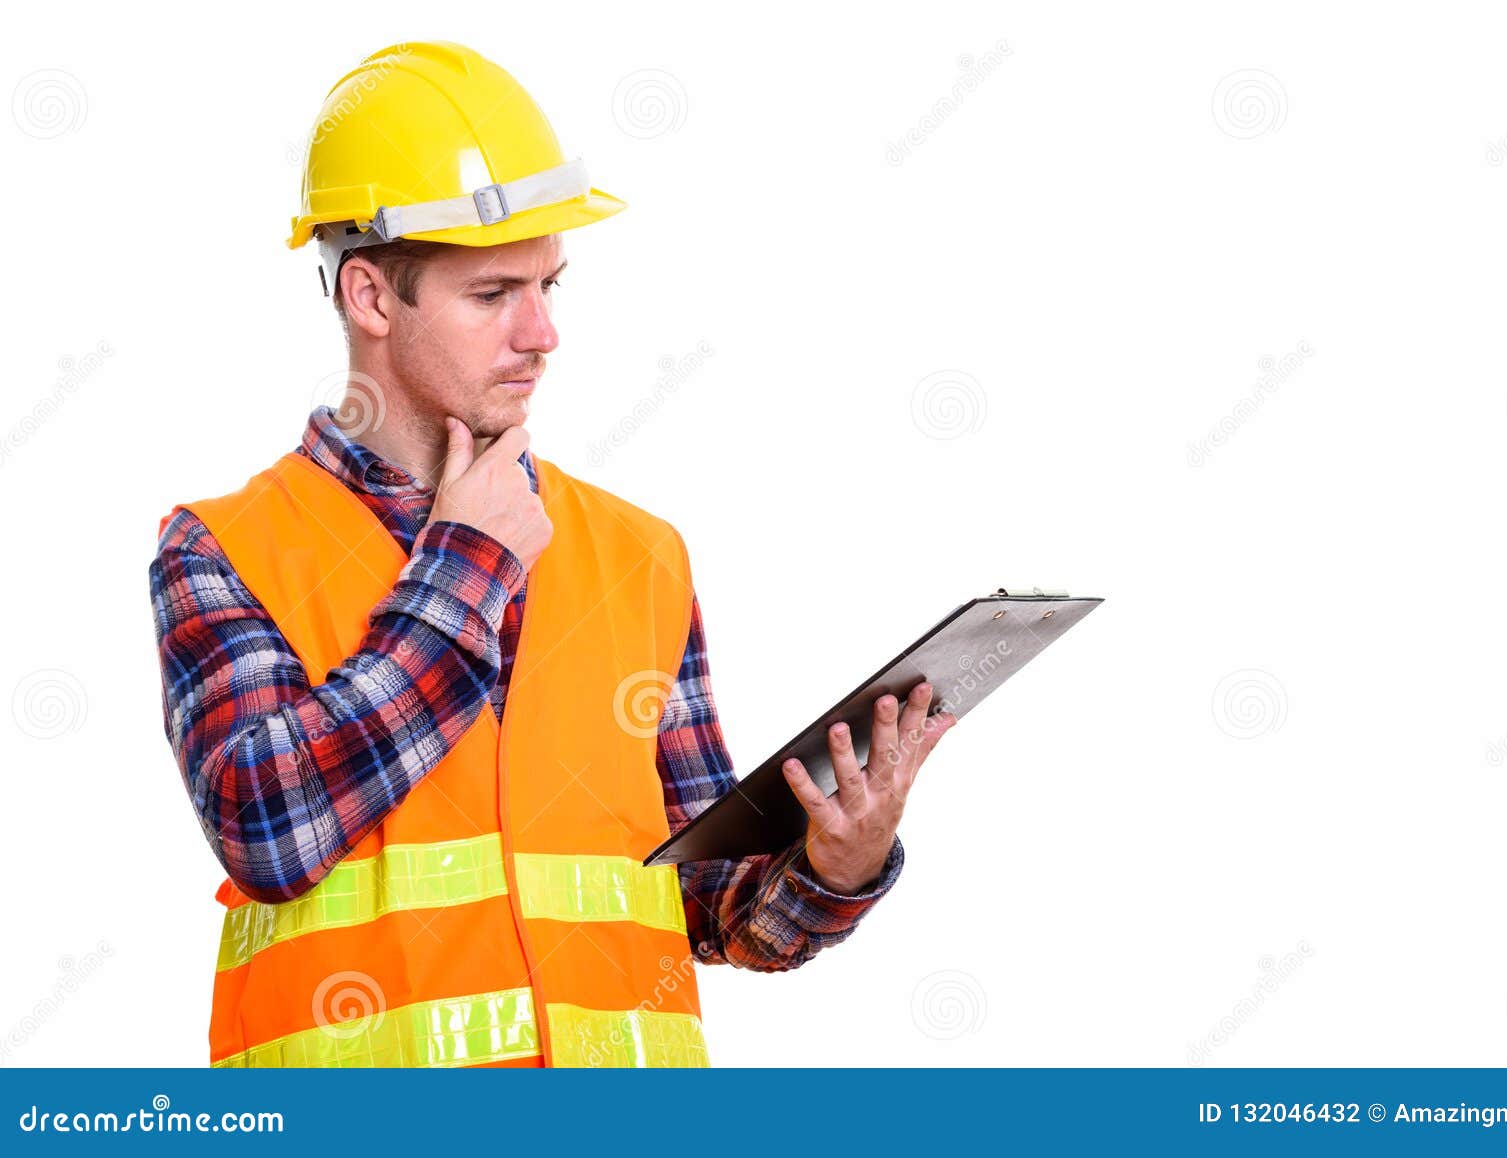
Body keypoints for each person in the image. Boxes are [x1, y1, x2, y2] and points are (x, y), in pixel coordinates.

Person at [147, 40, 956, 1069]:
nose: (541, 334)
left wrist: (834, 864)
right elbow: (268, 832)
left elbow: (709, 905)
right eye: (492, 295)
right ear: (368, 297)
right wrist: (464, 565)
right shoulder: (224, 547)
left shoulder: (636, 553)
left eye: (549, 286)